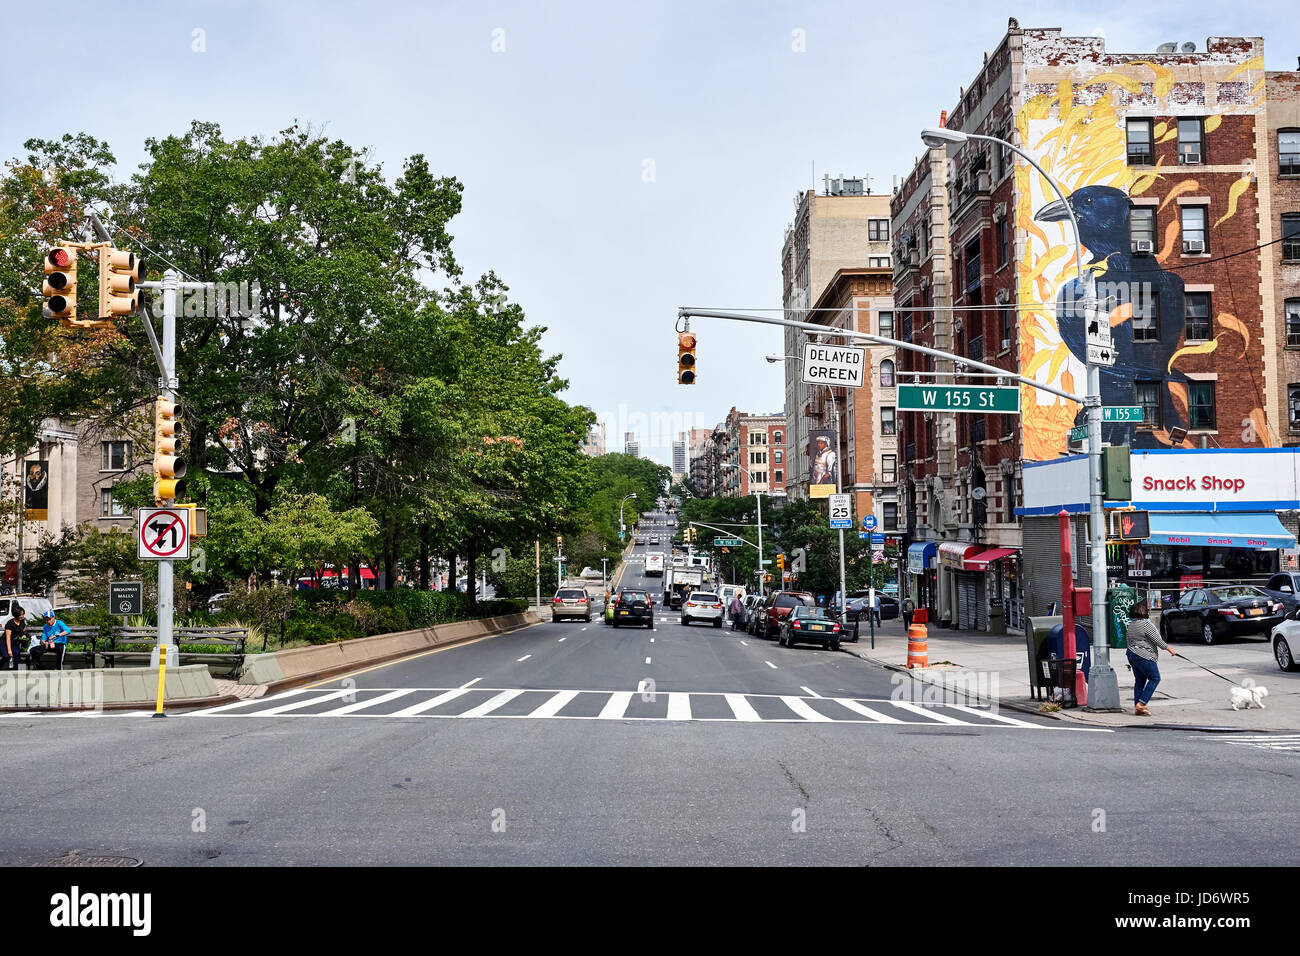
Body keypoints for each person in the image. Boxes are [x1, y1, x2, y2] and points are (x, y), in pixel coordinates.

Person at [1125, 601, 1177, 716]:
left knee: (1140, 681)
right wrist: (1170, 650)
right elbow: (1157, 640)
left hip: (1132, 654)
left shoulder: (1131, 625)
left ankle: (1138, 707)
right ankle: (1142, 703)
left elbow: (1128, 641)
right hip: (1144, 655)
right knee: (1155, 678)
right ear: (1143, 612)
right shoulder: (1145, 624)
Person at [2, 606, 27, 670]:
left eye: (23, 614)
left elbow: (24, 631)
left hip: (15, 642)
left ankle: (15, 670)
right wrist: (9, 650)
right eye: (21, 614)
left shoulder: (22, 622)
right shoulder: (10, 623)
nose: (22, 616)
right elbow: (8, 637)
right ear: (16, 615)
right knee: (6, 656)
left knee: (16, 653)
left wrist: (23, 635)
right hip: (5, 642)